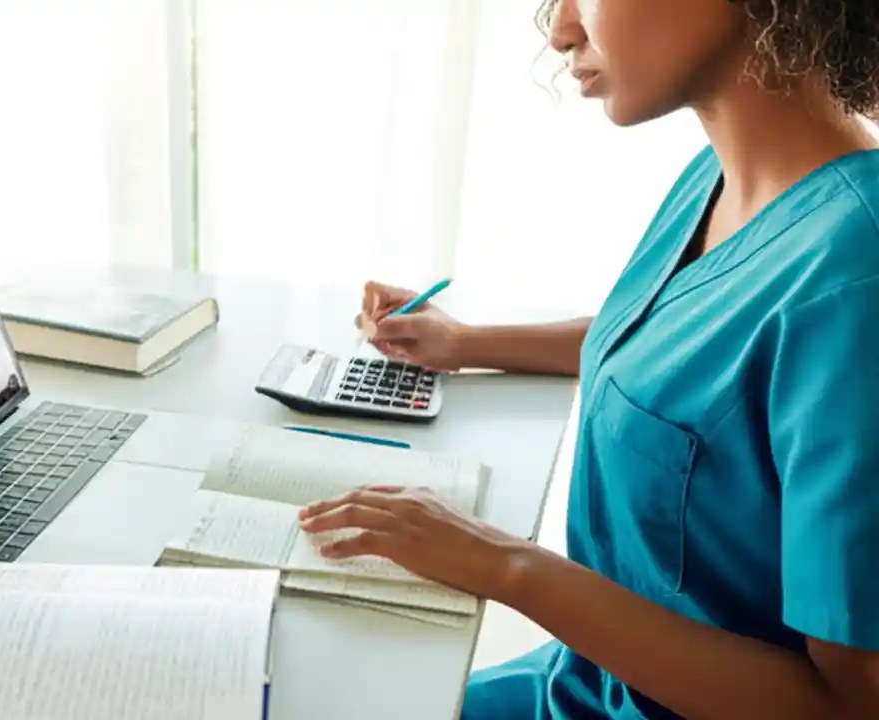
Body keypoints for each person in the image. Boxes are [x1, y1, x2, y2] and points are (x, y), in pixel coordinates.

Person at [299, 1, 879, 718]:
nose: (561, 30)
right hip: (583, 687)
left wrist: (507, 565)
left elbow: (849, 707)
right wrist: (466, 342)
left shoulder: (856, 282)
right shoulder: (720, 178)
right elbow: (681, 353)